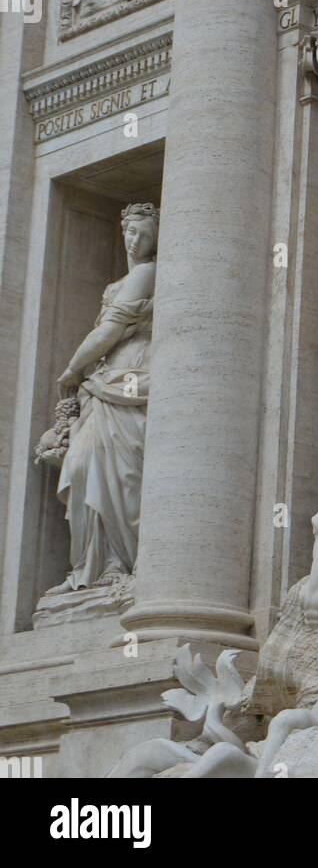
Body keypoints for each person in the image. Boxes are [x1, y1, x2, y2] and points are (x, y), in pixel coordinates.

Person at [38, 203, 158, 593]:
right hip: (104, 380)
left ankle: (118, 563)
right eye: (129, 231)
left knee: (124, 471)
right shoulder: (115, 284)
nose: (133, 239)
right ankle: (90, 566)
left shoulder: (147, 273)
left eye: (143, 233)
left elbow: (109, 332)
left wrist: (73, 369)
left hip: (130, 373)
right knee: (82, 465)